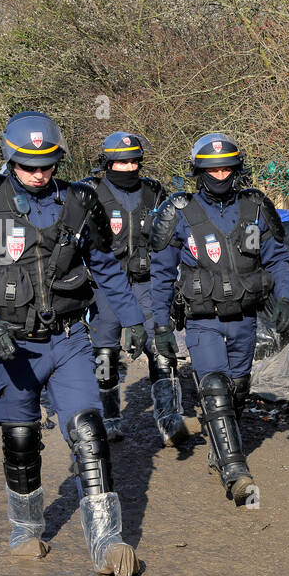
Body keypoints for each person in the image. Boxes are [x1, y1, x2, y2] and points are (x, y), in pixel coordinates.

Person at [0, 111, 147, 576]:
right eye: (28, 165)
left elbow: (108, 268)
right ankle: (26, 528)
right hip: (9, 344)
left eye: (47, 164)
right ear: (9, 160)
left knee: (89, 431)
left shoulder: (80, 203)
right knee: (21, 439)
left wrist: (134, 320)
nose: (39, 173)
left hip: (71, 339)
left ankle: (107, 541)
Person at [147, 132, 289, 504]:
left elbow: (277, 258)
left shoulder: (256, 207)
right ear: (198, 170)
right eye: (212, 168)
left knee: (237, 390)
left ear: (237, 169)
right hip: (202, 318)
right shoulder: (179, 210)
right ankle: (235, 470)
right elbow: (161, 274)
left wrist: (286, 299)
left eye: (227, 166)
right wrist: (160, 325)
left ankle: (220, 446)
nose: (220, 173)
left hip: (245, 316)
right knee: (213, 386)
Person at [85, 131, 186, 445]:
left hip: (146, 283)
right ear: (108, 162)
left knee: (161, 348)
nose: (128, 167)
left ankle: (169, 418)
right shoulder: (91, 192)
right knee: (105, 352)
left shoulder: (154, 192)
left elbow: (172, 235)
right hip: (103, 286)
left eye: (133, 161)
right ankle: (110, 417)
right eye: (120, 161)